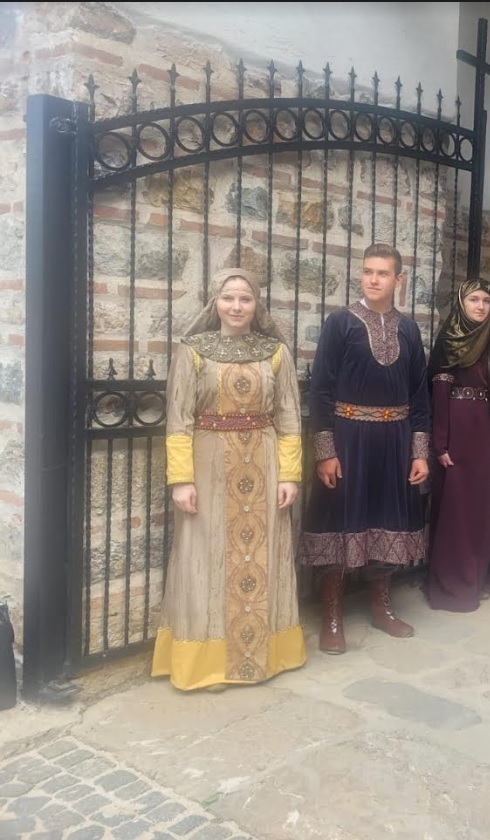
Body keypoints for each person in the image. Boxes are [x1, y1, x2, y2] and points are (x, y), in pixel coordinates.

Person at [154, 267, 306, 691]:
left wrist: (290, 474)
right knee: (203, 556)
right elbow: (179, 420)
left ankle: (265, 655)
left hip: (265, 464)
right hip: (207, 468)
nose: (236, 306)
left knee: (265, 553)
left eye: (245, 299)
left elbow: (290, 417)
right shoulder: (193, 351)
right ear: (214, 303)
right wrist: (181, 480)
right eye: (228, 298)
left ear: (256, 305)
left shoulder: (275, 352)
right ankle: (204, 662)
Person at [298, 244, 430, 654]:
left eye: (383, 273)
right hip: (348, 438)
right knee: (340, 520)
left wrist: (419, 451)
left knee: (385, 518)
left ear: (398, 279)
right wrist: (325, 451)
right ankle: (332, 614)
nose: (373, 279)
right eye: (368, 272)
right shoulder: (340, 323)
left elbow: (420, 395)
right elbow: (320, 389)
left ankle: (381, 608)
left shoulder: (409, 329)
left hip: (393, 440)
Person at [426, 277, 490, 610]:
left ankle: (480, 576)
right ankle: (453, 581)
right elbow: (438, 393)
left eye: (486, 301)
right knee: (457, 509)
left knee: (481, 507)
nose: (480, 307)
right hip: (456, 435)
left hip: (482, 433)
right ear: (462, 304)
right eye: (474, 300)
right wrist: (441, 444)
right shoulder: (450, 340)